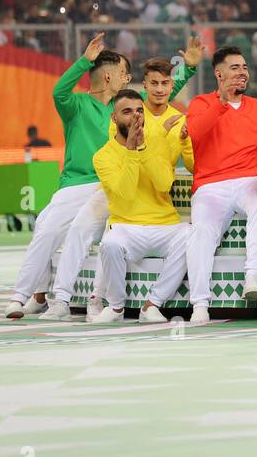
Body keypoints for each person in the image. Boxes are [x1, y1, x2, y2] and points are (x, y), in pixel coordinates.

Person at [40, 39, 199, 321]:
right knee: (87, 230)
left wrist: (188, 69)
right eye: (152, 84)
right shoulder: (131, 114)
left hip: (153, 204)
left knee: (118, 233)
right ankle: (65, 299)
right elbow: (122, 180)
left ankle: (113, 302)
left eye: (165, 85)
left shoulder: (172, 120)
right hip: (114, 190)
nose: (160, 90)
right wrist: (137, 146)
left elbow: (167, 177)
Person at [5, 35, 129, 319]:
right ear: (108, 76)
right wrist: (84, 61)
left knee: (66, 229)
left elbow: (161, 95)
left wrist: (188, 70)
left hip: (108, 186)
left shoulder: (123, 109)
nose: (127, 79)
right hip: (75, 184)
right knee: (46, 228)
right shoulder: (76, 106)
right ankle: (20, 296)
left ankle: (49, 297)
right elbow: (59, 91)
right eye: (123, 74)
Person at [84, 57, 197, 317]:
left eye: (138, 112)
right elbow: (124, 190)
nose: (136, 117)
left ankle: (153, 303)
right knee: (108, 243)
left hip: (163, 223)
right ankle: (113, 305)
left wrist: (150, 143)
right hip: (126, 224)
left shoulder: (164, 131)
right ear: (115, 119)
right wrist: (135, 150)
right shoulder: (103, 156)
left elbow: (164, 183)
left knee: (192, 235)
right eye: (128, 113)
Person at [183, 45, 257, 326]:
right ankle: (199, 303)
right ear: (218, 74)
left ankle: (253, 276)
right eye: (235, 67)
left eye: (245, 67)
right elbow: (196, 134)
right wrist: (221, 102)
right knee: (201, 233)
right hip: (212, 184)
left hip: (250, 179)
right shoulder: (200, 103)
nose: (242, 72)